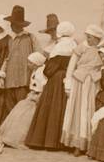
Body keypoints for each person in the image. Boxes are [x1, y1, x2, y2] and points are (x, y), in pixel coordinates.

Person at [62, 24, 104, 155]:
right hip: (79, 82)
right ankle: (75, 143)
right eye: (87, 37)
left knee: (88, 110)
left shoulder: (101, 50)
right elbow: (71, 66)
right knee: (76, 111)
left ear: (96, 38)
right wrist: (68, 84)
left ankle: (87, 143)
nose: (88, 39)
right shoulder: (81, 48)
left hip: (92, 84)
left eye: (91, 37)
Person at [25, 21, 75, 151]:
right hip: (69, 78)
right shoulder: (74, 44)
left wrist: (49, 72)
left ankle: (47, 141)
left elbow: (49, 69)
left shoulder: (59, 47)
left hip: (57, 79)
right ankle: (62, 142)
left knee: (52, 108)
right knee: (64, 108)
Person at [0, 5, 35, 125]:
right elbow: (6, 59)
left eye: (15, 24)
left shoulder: (30, 38)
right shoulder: (9, 39)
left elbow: (37, 57)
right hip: (10, 79)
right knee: (10, 108)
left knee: (22, 108)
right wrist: (2, 75)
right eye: (12, 24)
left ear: (21, 25)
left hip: (24, 79)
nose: (12, 26)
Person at [0, 51, 47, 146]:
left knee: (26, 116)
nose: (28, 65)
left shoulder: (41, 72)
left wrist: (38, 97)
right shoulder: (35, 71)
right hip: (32, 94)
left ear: (36, 63)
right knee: (19, 112)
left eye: (30, 63)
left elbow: (44, 86)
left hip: (37, 96)